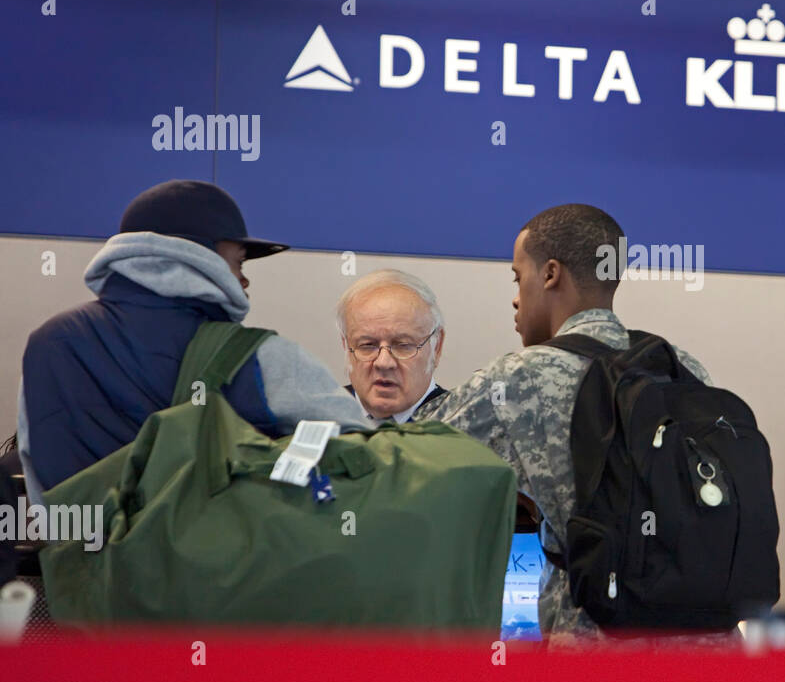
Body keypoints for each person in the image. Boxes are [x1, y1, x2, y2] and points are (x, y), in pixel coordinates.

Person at [415, 204, 717, 645]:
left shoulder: (521, 378)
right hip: (712, 652)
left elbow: (411, 449)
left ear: (551, 274)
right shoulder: (682, 365)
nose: (516, 296)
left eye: (519, 278)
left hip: (601, 656)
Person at [17, 180, 371, 503]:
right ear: (202, 257)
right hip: (215, 571)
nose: (244, 282)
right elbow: (360, 456)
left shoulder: (49, 344)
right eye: (239, 263)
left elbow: (38, 478)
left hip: (82, 567)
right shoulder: (256, 356)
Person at [336, 270, 447, 422]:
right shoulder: (312, 417)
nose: (383, 363)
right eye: (367, 345)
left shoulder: (465, 428)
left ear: (436, 347)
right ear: (346, 345)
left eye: (402, 345)